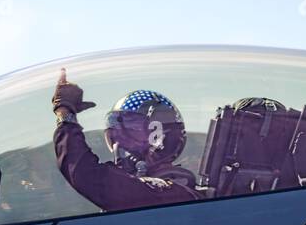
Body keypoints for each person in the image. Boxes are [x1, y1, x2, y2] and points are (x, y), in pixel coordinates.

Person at [51, 70, 200, 212]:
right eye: (115, 130)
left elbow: (85, 174)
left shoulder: (166, 194)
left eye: (132, 129)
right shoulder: (164, 193)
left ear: (159, 137)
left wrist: (64, 114)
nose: (118, 143)